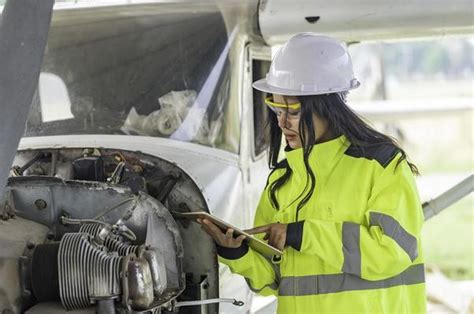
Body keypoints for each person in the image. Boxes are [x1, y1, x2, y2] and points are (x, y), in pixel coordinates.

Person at [198, 33, 426, 313]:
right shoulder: (283, 181)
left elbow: (392, 252)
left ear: (327, 107)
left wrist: (304, 234)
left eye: (291, 111)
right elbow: (271, 280)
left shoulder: (381, 166)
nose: (281, 122)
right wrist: (237, 253)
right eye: (276, 108)